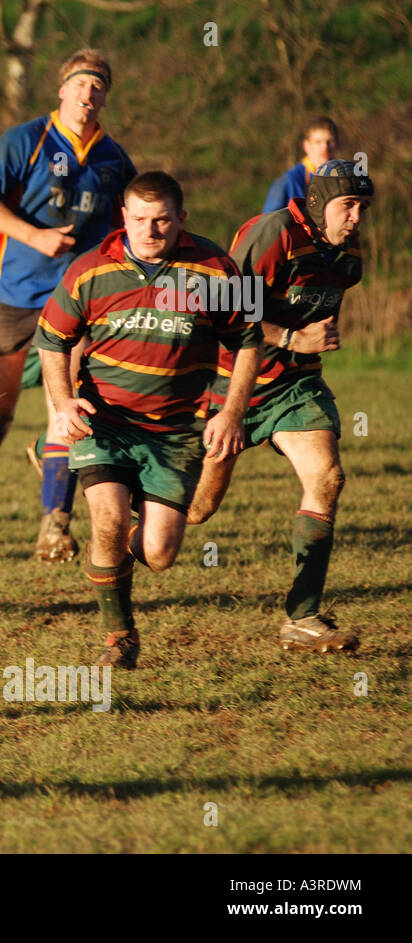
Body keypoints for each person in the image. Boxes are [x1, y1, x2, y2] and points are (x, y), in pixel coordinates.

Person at [36, 171, 262, 669]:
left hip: (176, 429)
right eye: (139, 219)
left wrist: (232, 410)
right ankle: (119, 639)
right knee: (110, 521)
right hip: (106, 422)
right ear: (124, 217)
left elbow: (248, 340)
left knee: (158, 555)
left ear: (182, 218)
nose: (150, 231)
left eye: (162, 220)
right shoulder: (90, 269)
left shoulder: (216, 270)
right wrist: (63, 403)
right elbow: (51, 339)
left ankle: (133, 511)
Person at [0, 48, 136, 562]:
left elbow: (133, 223)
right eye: (80, 84)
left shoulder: (114, 159)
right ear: (62, 89)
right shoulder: (25, 141)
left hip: (75, 299)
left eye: (98, 87)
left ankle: (55, 526)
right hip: (12, 293)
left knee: (64, 406)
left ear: (104, 97)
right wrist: (34, 235)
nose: (88, 95)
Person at [188, 160, 373, 654]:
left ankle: (302, 616)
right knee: (199, 510)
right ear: (318, 204)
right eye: (347, 205)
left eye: (362, 207)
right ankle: (113, 492)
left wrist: (311, 341)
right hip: (233, 384)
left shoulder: (347, 252)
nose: (356, 217)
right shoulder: (273, 235)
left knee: (328, 478)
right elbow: (222, 310)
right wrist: (293, 335)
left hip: (295, 385)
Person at [262, 118, 338, 215]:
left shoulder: (341, 180)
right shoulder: (288, 181)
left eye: (330, 141)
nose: (325, 147)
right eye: (318, 142)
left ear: (337, 144)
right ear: (306, 145)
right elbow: (268, 225)